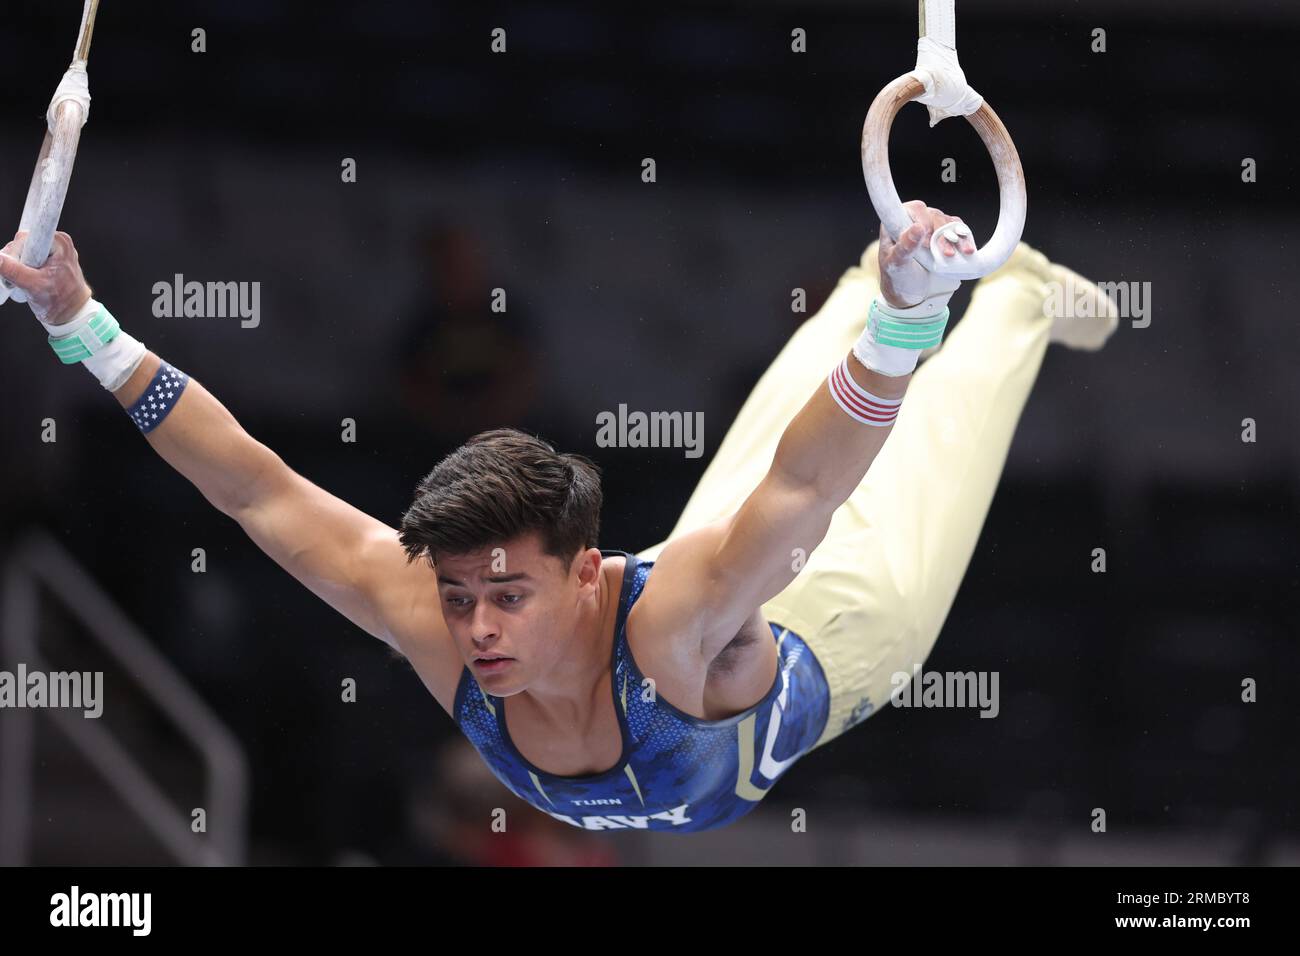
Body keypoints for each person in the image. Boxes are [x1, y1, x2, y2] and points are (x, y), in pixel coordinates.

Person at [0, 204, 1115, 833]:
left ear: (584, 571)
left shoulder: (669, 620)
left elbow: (811, 493)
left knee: (919, 440)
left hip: (846, 623)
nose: (474, 627)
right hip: (733, 571)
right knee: (778, 437)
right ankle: (873, 285)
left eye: (504, 596)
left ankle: (1007, 292)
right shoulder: (436, 619)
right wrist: (81, 323)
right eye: (458, 598)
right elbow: (254, 487)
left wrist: (912, 329)